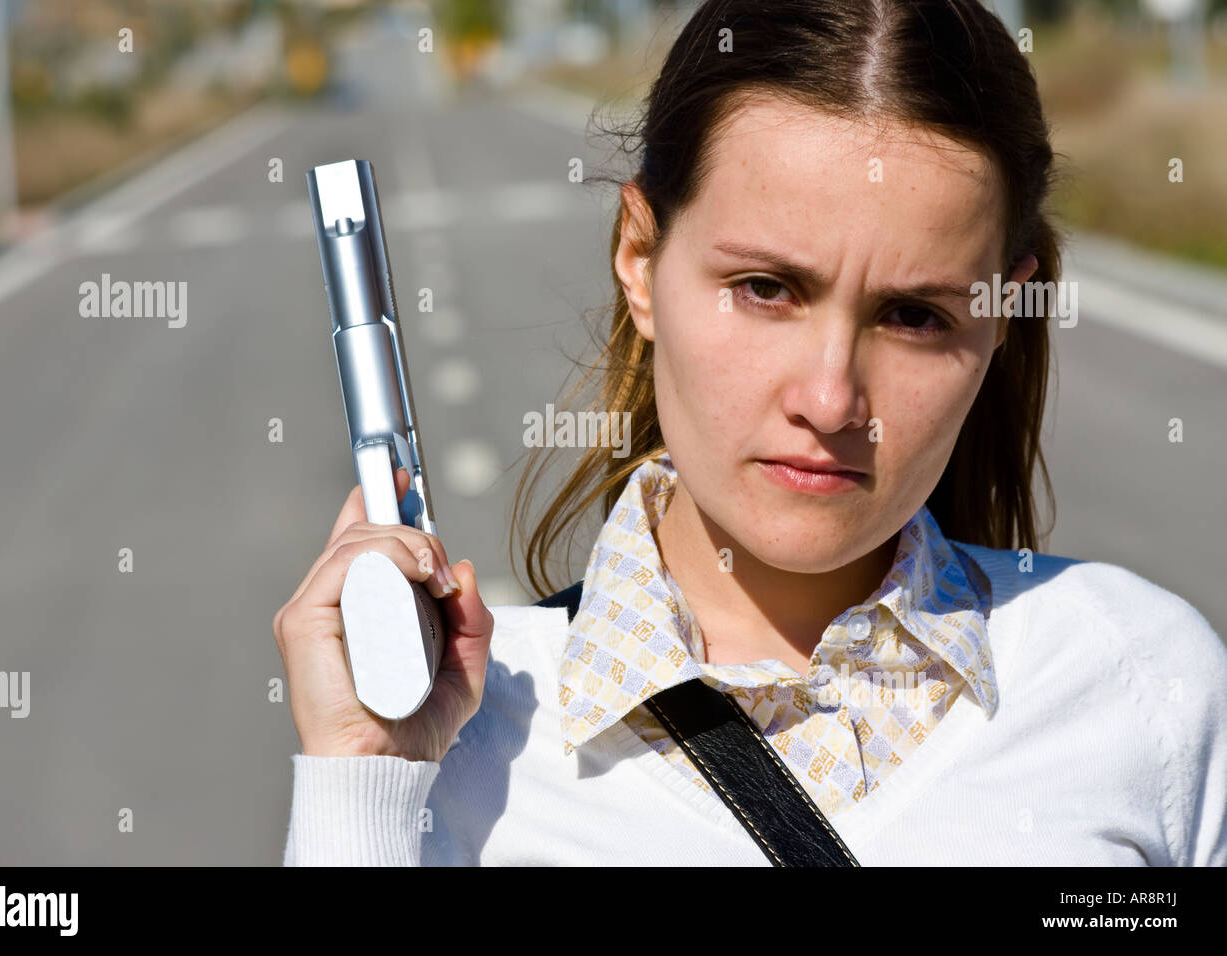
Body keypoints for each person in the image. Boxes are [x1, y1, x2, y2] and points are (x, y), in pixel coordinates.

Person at [273, 0, 1226, 865]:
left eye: (915, 316)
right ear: (639, 261)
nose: (830, 398)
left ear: (1002, 316)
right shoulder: (455, 738)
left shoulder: (1139, 685)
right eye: (766, 289)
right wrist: (363, 779)